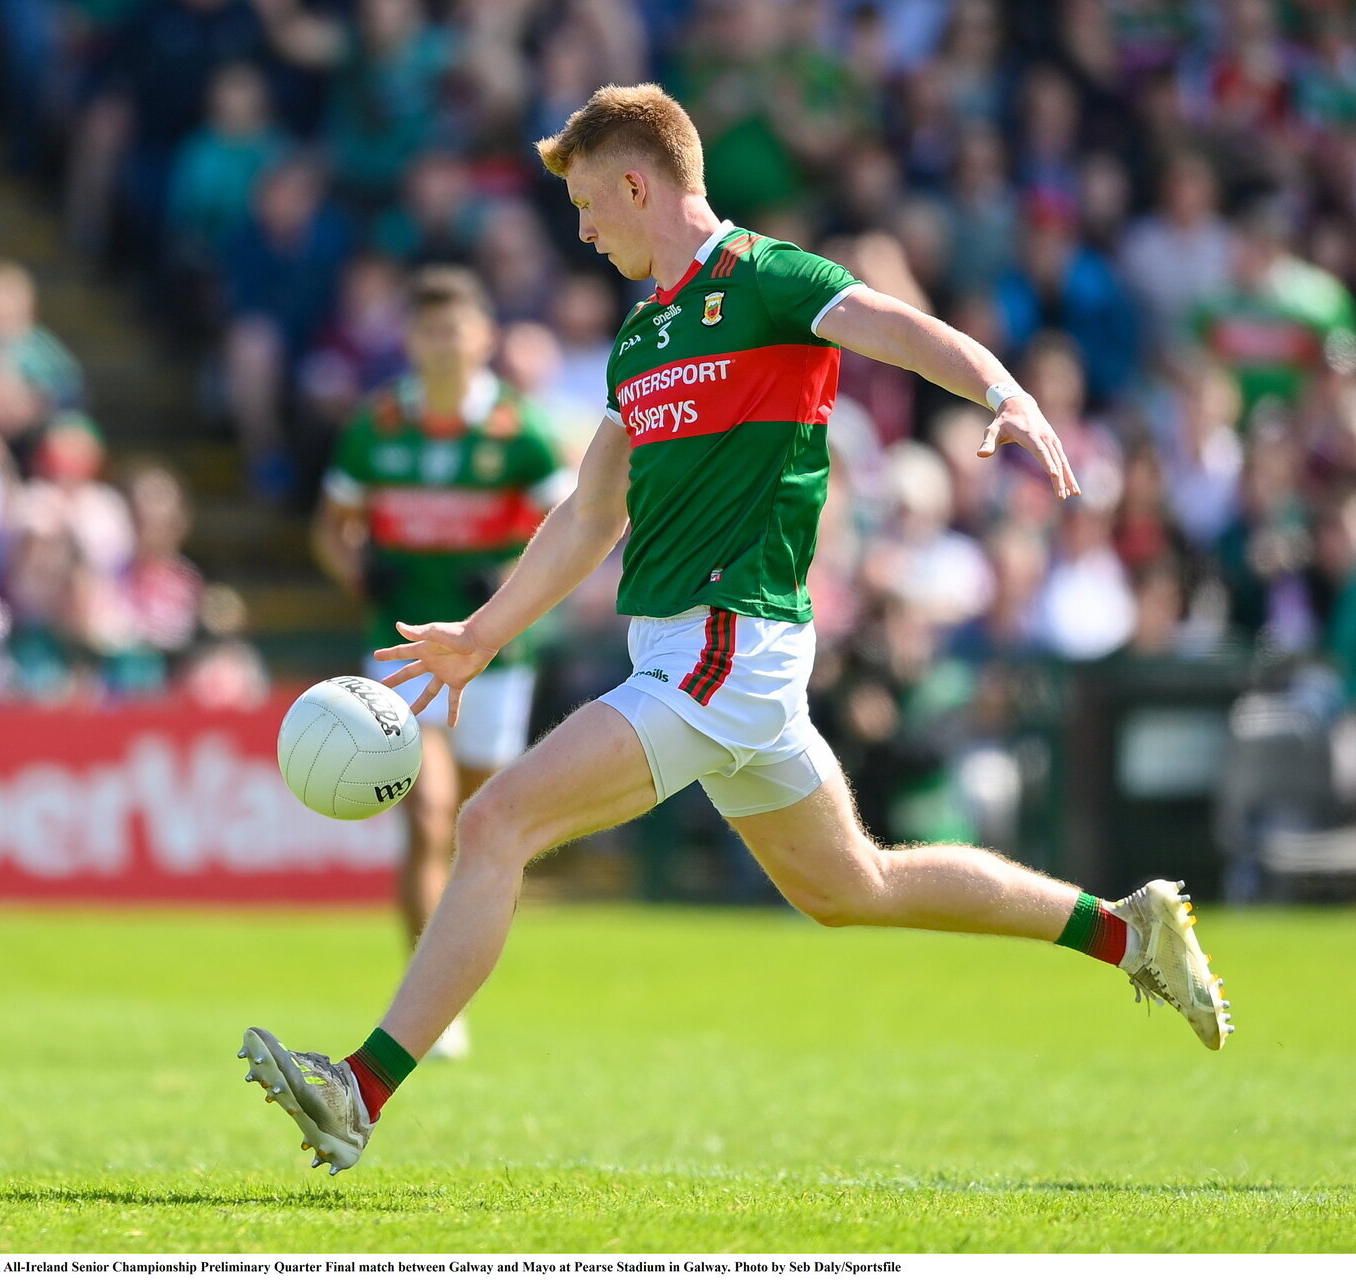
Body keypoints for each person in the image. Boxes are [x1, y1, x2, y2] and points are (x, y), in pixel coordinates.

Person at [239, 84, 1231, 1175]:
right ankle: (1126, 930)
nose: (583, 231)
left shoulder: (764, 277)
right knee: (851, 887)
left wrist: (999, 389)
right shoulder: (640, 337)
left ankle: (359, 1090)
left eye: (587, 204)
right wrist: (481, 634)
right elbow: (590, 513)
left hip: (726, 645)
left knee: (494, 823)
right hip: (696, 656)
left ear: (636, 184)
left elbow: (896, 329)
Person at [310, 265, 571, 1061]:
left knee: (483, 831)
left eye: (455, 331)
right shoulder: (378, 424)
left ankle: (451, 984)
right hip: (402, 657)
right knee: (427, 816)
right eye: (428, 332)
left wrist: (509, 586)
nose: (443, 346)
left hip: (496, 657)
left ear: (485, 338)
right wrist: (359, 575)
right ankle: (426, 1004)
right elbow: (331, 528)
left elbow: (571, 528)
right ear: (410, 341)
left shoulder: (519, 431)